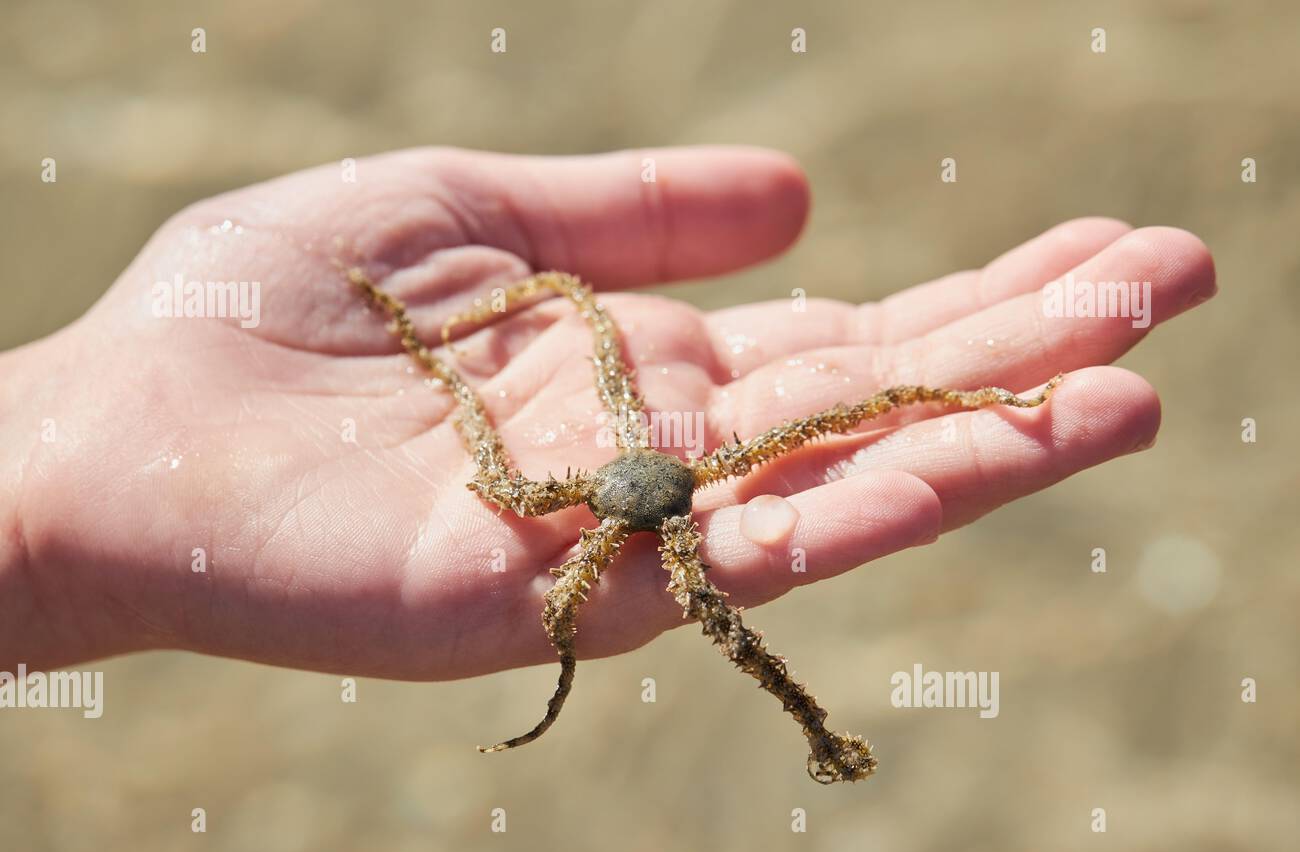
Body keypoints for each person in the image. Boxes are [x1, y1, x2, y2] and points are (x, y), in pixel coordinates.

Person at [0, 146, 1216, 680]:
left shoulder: (633, 496)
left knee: (889, 399)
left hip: (671, 467)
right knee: (836, 423)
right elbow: (534, 432)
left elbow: (879, 393)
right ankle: (813, 724)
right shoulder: (603, 507)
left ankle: (1004, 402)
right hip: (653, 469)